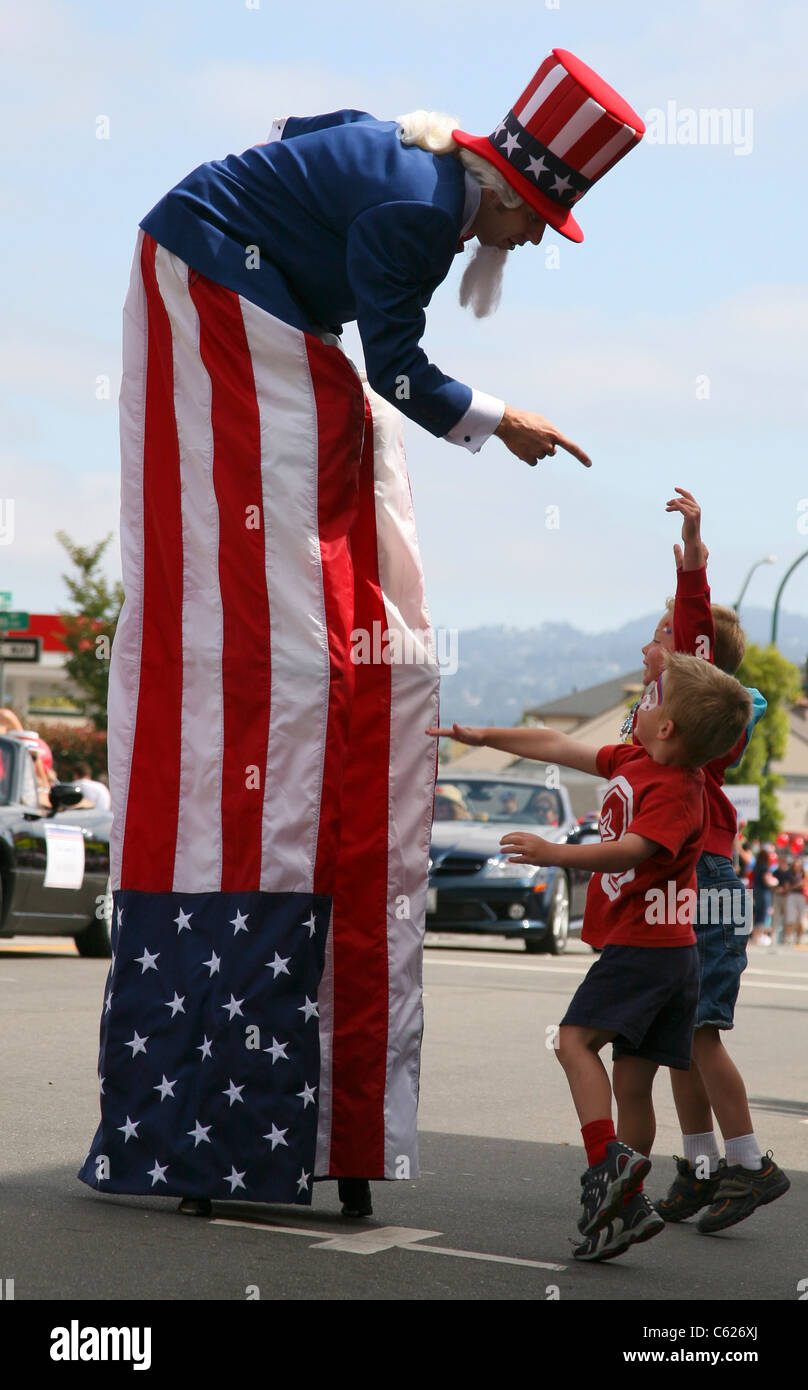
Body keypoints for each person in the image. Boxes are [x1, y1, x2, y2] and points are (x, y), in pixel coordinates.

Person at [78, 50, 648, 1219]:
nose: (535, 243)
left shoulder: (414, 150)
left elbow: (303, 124)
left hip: (224, 253)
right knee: (340, 418)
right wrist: (505, 422)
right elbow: (394, 365)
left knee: (341, 439)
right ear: (504, 194)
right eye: (538, 221)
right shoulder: (419, 209)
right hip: (209, 274)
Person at [428, 649, 753, 1261]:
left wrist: (554, 853)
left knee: (573, 1042)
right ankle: (623, 1211)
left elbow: (629, 850)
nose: (642, 703)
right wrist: (482, 735)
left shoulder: (682, 793)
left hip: (645, 951)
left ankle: (606, 1168)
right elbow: (555, 744)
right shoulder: (633, 758)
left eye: (652, 699)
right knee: (633, 1084)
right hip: (669, 957)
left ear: (668, 730)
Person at [632, 491, 789, 1232]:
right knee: (678, 1033)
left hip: (711, 884)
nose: (653, 639)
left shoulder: (700, 709)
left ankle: (750, 1163)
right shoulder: (662, 711)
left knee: (699, 1031)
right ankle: (699, 1168)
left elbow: (696, 628)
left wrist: (695, 553)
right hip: (681, 882)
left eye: (664, 631)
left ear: (698, 659)